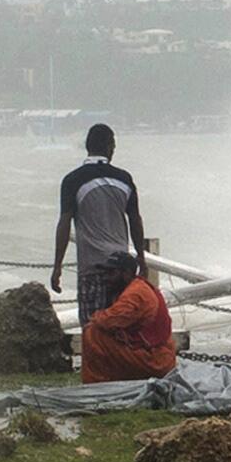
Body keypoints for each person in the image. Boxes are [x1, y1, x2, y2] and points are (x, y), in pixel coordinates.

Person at [49, 123, 148, 328]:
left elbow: (64, 223)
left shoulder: (72, 180)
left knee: (93, 329)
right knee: (123, 329)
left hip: (92, 269)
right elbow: (135, 220)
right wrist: (141, 258)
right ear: (110, 147)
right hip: (123, 270)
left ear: (87, 147)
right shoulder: (124, 179)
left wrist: (57, 266)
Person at [79, 251, 178, 383]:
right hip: (158, 355)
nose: (106, 278)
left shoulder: (134, 294)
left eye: (111, 273)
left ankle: (97, 384)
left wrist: (96, 316)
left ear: (126, 273)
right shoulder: (139, 287)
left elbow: (107, 320)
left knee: (92, 333)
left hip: (155, 360)